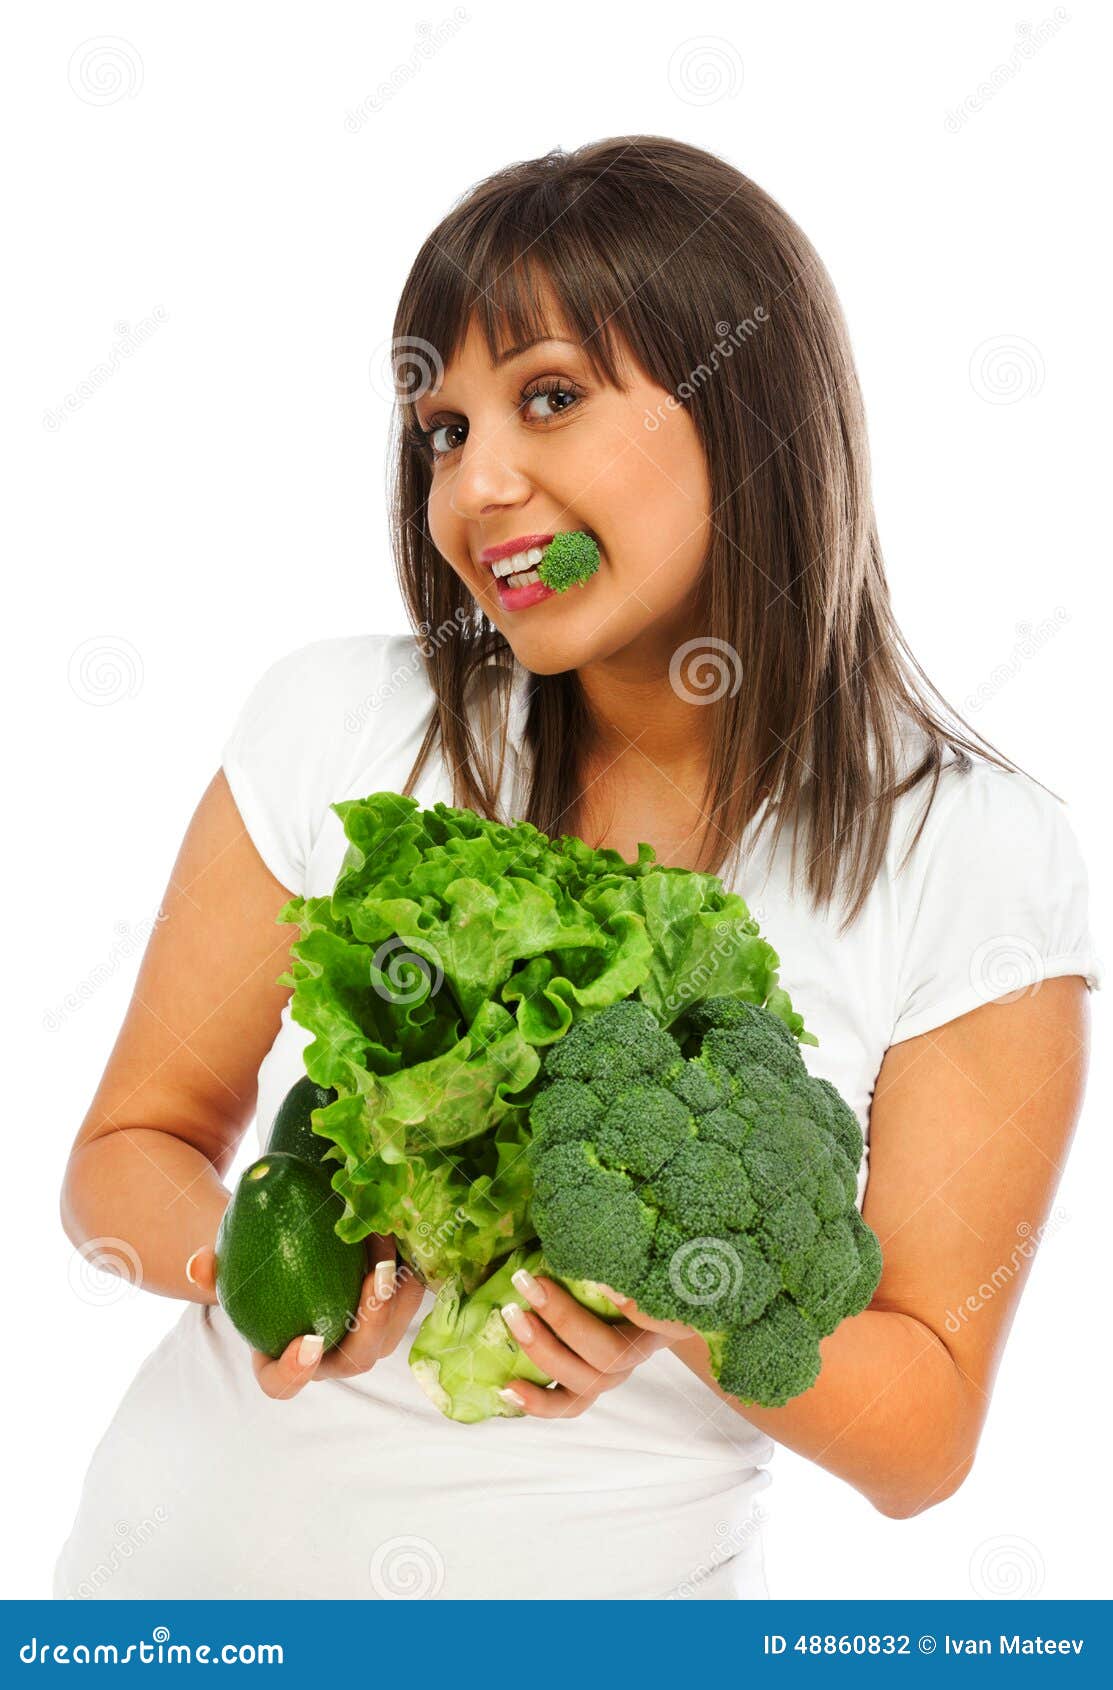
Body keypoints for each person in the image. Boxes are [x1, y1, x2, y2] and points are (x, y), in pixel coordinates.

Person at [54, 136, 1101, 1601]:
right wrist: (256, 1266)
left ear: (747, 411)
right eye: (440, 429)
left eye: (548, 396)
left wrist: (690, 1303)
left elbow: (921, 1436)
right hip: (155, 1601)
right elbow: (122, 1158)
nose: (475, 485)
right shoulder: (340, 724)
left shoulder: (969, 852)